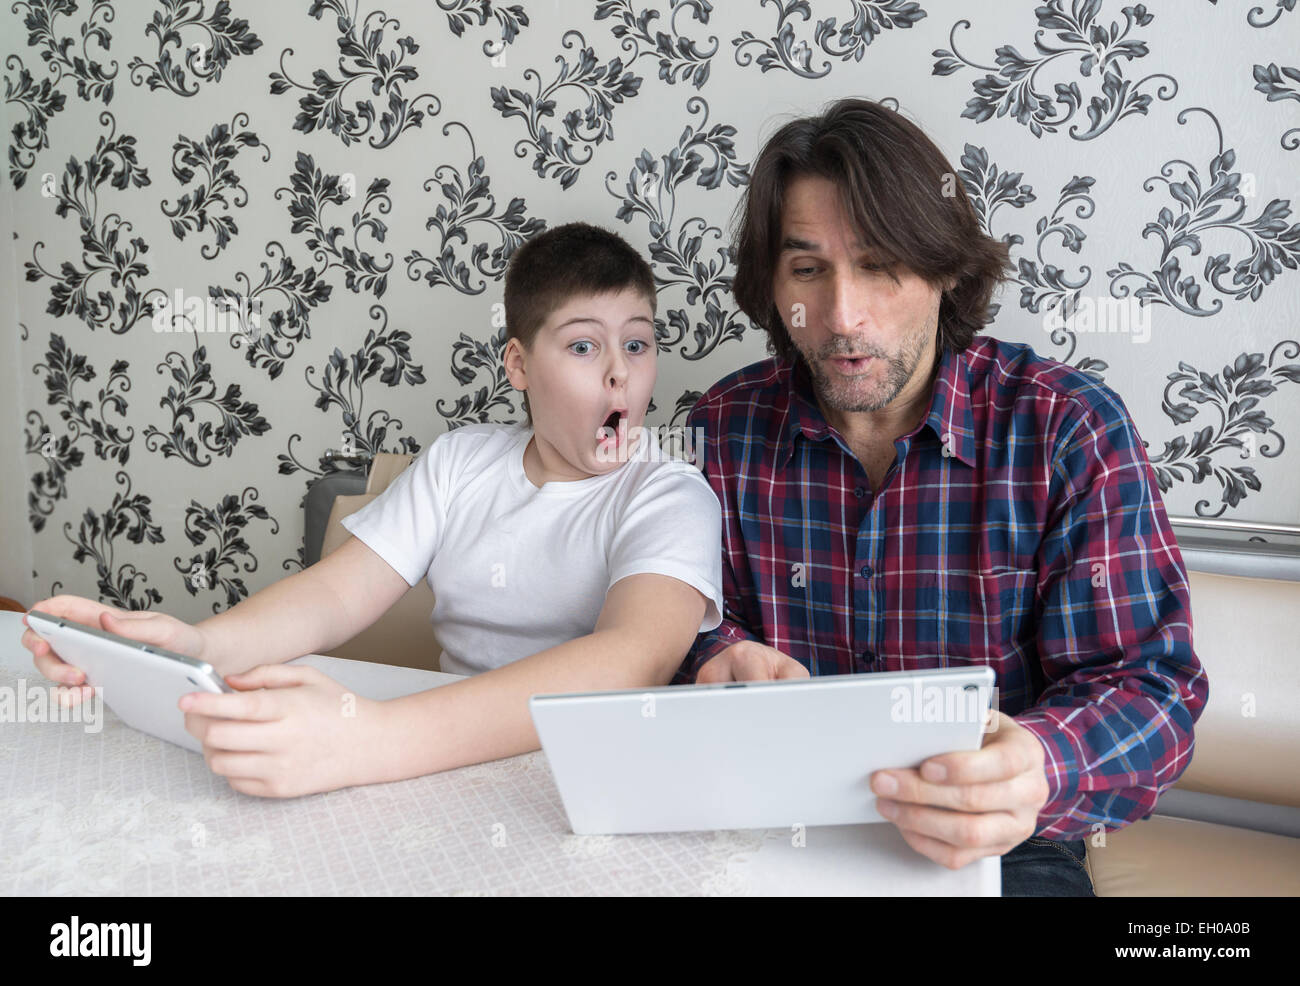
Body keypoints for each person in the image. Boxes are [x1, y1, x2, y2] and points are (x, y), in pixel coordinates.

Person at [673, 98, 1208, 896]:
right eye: (808, 269)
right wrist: (713, 658)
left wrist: (1036, 765)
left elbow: (1151, 690)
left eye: (882, 265)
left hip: (999, 839)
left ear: (945, 268)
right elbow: (678, 627)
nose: (843, 316)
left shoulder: (1068, 429)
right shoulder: (721, 428)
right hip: (769, 812)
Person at [23, 222, 724, 798]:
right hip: (435, 767)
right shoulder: (459, 463)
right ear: (518, 366)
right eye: (583, 345)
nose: (619, 373)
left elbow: (629, 660)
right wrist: (193, 647)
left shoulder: (669, 492)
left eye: (637, 343)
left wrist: (371, 739)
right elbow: (336, 593)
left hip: (576, 781)